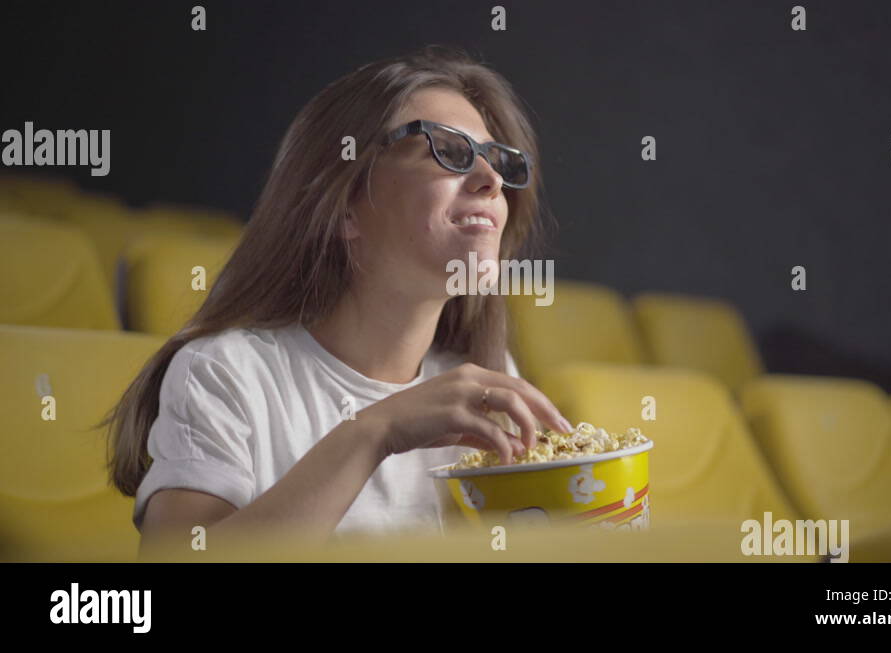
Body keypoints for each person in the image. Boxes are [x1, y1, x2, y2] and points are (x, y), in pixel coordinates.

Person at [99, 45, 573, 558]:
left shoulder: (484, 373)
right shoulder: (224, 371)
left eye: (498, 161)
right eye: (449, 151)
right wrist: (375, 430)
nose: (492, 181)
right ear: (346, 205)